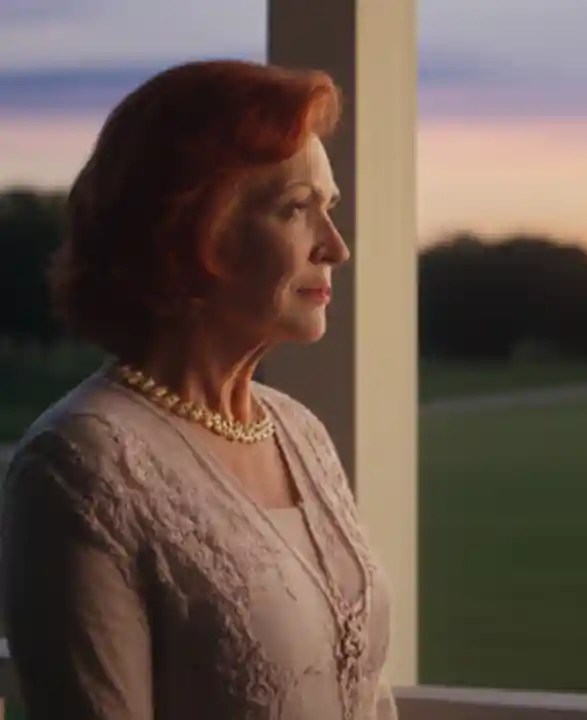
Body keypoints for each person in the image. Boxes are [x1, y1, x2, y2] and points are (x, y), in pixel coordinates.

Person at [0, 60, 398, 719]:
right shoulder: (79, 468)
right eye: (297, 210)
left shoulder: (299, 431)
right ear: (193, 230)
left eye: (329, 209)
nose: (335, 247)